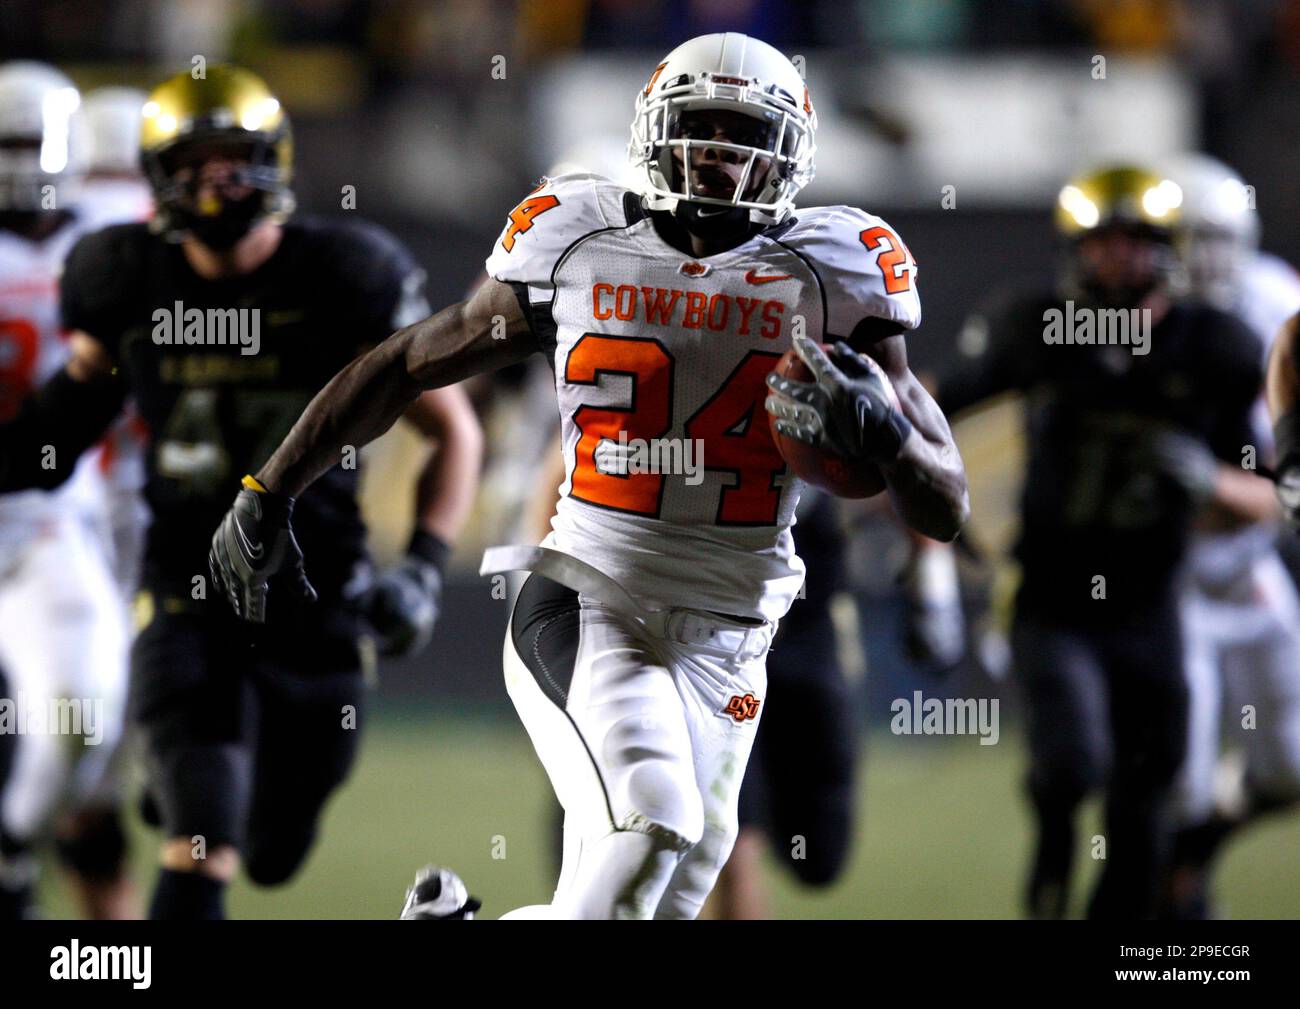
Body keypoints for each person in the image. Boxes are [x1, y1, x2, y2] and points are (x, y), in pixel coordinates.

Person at [209, 32, 968, 921]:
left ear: (789, 153)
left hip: (734, 636)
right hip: (592, 596)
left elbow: (945, 499)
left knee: (640, 903)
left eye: (743, 134)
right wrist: (271, 486)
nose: (720, 155)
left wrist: (891, 441)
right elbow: (409, 360)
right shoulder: (579, 238)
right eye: (702, 127)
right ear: (655, 129)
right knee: (651, 827)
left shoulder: (837, 269)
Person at [0, 64, 483, 919]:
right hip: (185, 595)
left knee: (272, 850)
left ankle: (199, 794)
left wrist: (421, 565)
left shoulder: (344, 274)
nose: (217, 182)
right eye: (195, 163)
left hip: (317, 601)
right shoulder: (125, 275)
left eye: (235, 160)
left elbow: (455, 430)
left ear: (275, 162)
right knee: (202, 840)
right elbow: (63, 422)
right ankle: (183, 796)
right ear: (157, 175)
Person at [936, 164, 1273, 919]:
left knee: (1146, 813)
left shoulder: (1216, 344)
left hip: (1154, 605)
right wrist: (931, 534)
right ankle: (1054, 831)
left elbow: (1276, 491)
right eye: (1103, 243)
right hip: (1053, 598)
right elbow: (927, 415)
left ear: (1169, 249)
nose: (1118, 259)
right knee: (1074, 761)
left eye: (1136, 242)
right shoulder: (1038, 326)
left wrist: (1215, 483)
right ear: (1075, 251)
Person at [0, 60, 136, 920]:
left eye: (26, 141)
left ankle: (13, 845)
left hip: (51, 514)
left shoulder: (114, 234)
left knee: (84, 715)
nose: (17, 161)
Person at [1159, 154, 1300, 917]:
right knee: (1174, 785)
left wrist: (1215, 484)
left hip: (1246, 568)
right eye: (1182, 238)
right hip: (1164, 584)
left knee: (1290, 765)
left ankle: (1197, 846)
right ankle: (1180, 920)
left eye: (1211, 238)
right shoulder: (1126, 319)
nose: (1198, 258)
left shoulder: (1275, 305)